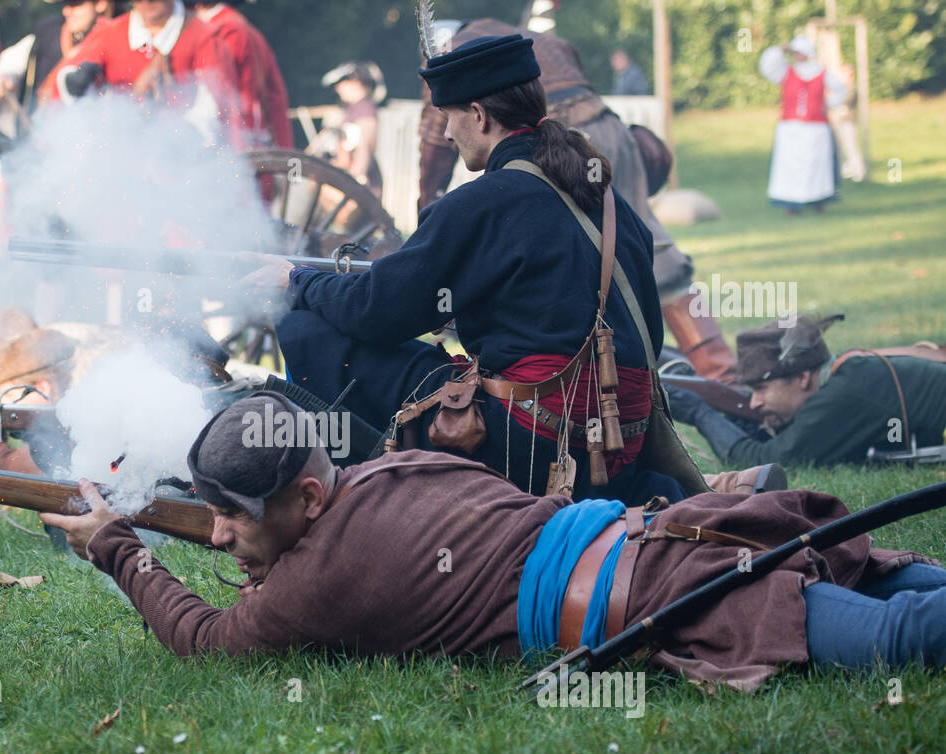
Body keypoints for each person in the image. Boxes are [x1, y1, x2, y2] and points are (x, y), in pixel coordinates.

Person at [41, 392, 946, 692]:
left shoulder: (320, 585)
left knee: (899, 638)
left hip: (672, 598)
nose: (224, 533)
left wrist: (118, 550)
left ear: (309, 498)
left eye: (237, 514)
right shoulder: (400, 470)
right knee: (893, 580)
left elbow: (204, 641)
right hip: (675, 537)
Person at [245, 33, 687, 505]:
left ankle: (342, 502)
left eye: (450, 118)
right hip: (622, 445)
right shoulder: (605, 196)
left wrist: (296, 279)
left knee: (310, 329)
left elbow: (375, 310)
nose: (449, 134)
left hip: (538, 449)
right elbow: (641, 333)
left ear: (478, 115)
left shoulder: (479, 204)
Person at [417, 17, 738, 384]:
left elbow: (433, 144)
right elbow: (574, 62)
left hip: (558, 136)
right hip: (604, 129)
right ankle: (722, 372)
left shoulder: (457, 63)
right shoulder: (523, 36)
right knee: (651, 254)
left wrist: (427, 205)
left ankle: (704, 378)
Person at [670, 317, 946, 469]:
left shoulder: (841, 395)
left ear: (802, 377)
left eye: (761, 389)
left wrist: (699, 412)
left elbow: (763, 462)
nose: (754, 402)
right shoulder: (847, 373)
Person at [37, 0, 240, 144]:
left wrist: (179, 139)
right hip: (120, 163)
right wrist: (75, 88)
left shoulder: (205, 38)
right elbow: (60, 89)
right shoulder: (110, 32)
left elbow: (218, 110)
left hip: (184, 168)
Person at [187, 0, 292, 148]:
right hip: (251, 138)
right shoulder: (233, 26)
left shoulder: (225, 31)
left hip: (243, 140)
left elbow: (227, 97)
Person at [0, 0, 117, 120]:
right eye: (66, 4)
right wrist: (2, 77)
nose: (66, 11)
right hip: (37, 135)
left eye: (76, 4)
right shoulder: (48, 31)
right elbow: (11, 63)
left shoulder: (116, 38)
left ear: (101, 3)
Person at [758, 35, 845, 214]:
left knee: (816, 164)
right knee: (790, 165)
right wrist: (780, 51)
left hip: (815, 128)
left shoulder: (821, 72)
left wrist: (827, 105)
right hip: (790, 128)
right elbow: (767, 66)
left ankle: (818, 200)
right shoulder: (786, 72)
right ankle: (791, 202)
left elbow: (840, 89)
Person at [320, 61, 384, 196]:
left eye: (342, 82)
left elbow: (363, 151)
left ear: (356, 80)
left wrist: (357, 179)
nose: (337, 88)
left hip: (358, 188)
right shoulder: (353, 109)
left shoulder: (365, 111)